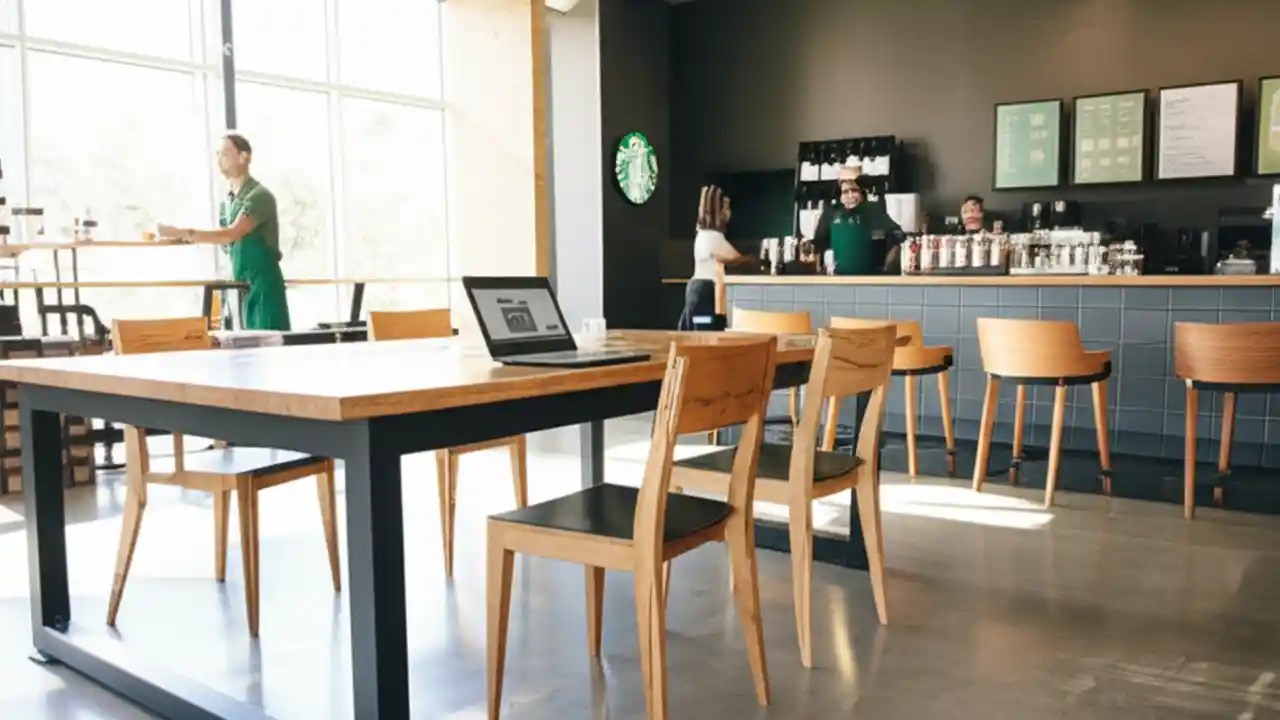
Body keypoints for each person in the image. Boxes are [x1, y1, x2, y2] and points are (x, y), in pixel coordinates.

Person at [158, 133, 290, 331]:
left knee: (270, 342)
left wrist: (181, 232)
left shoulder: (259, 197)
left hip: (263, 287)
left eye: (225, 154)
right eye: (218, 154)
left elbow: (230, 234)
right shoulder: (228, 202)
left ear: (244, 157)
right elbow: (226, 243)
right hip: (241, 286)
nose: (219, 159)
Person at [812, 166, 903, 275]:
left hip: (871, 278)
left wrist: (890, 262)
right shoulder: (831, 213)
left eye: (854, 191)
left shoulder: (874, 211)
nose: (850, 196)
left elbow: (897, 236)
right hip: (838, 278)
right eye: (845, 192)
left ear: (862, 192)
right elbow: (818, 243)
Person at [677, 184, 744, 330]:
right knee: (704, 336)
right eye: (725, 208)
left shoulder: (702, 234)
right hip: (705, 292)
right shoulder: (713, 237)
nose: (728, 213)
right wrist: (753, 260)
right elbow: (737, 258)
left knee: (696, 333)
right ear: (716, 210)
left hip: (696, 291)